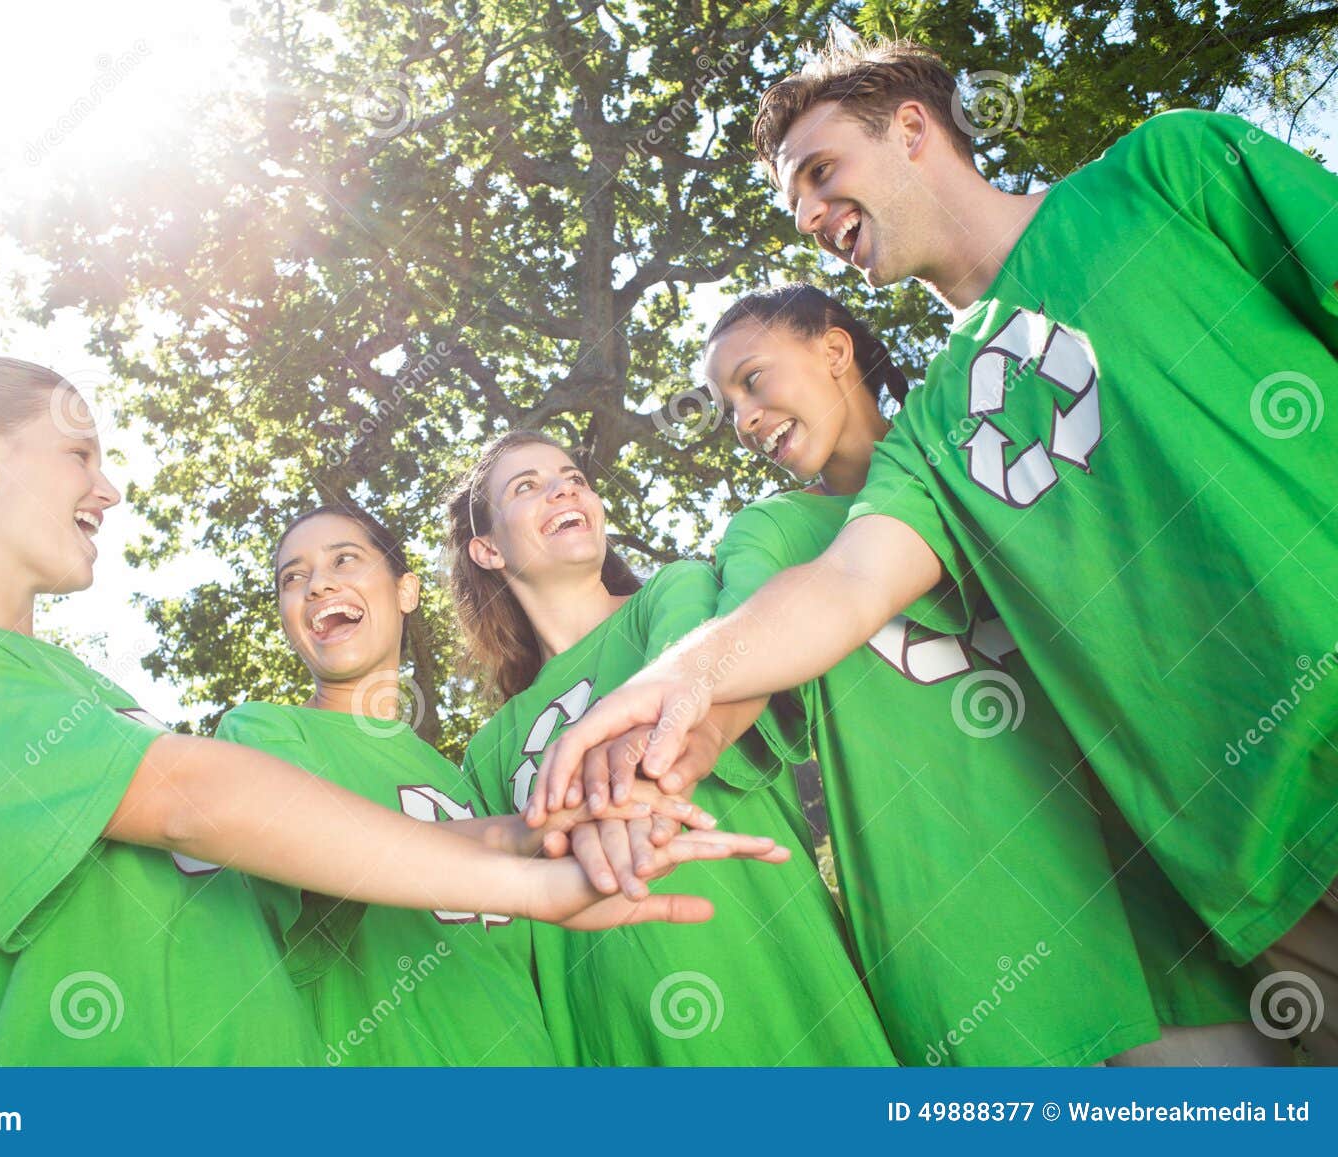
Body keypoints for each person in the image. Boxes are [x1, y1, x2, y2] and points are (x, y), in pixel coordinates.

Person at [531, 38, 1338, 1061]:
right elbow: (847, 581)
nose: (817, 219)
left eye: (821, 173)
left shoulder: (1163, 175)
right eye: (799, 210)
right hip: (1263, 861)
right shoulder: (933, 431)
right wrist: (686, 671)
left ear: (911, 127)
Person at [0, 357, 784, 1066]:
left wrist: (522, 835)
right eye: (78, 453)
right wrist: (535, 884)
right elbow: (188, 794)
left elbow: (294, 872)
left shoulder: (93, 703)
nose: (107, 485)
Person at [705, 282, 1276, 1066]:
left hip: (1154, 887)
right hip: (984, 954)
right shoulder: (772, 533)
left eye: (751, 380)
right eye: (726, 405)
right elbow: (740, 647)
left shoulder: (978, 436)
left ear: (834, 350)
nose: (742, 419)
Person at [216, 503, 726, 1065]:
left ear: (406, 591)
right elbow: (308, 847)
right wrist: (517, 833)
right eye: (294, 577)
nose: (317, 584)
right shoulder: (267, 731)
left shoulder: (461, 783)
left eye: (345, 559)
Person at [450, 430, 896, 1066]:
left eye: (572, 475)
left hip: (766, 988)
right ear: (488, 548)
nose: (564, 487)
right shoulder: (489, 748)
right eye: (527, 486)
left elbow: (677, 709)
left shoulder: (675, 594)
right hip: (606, 1035)